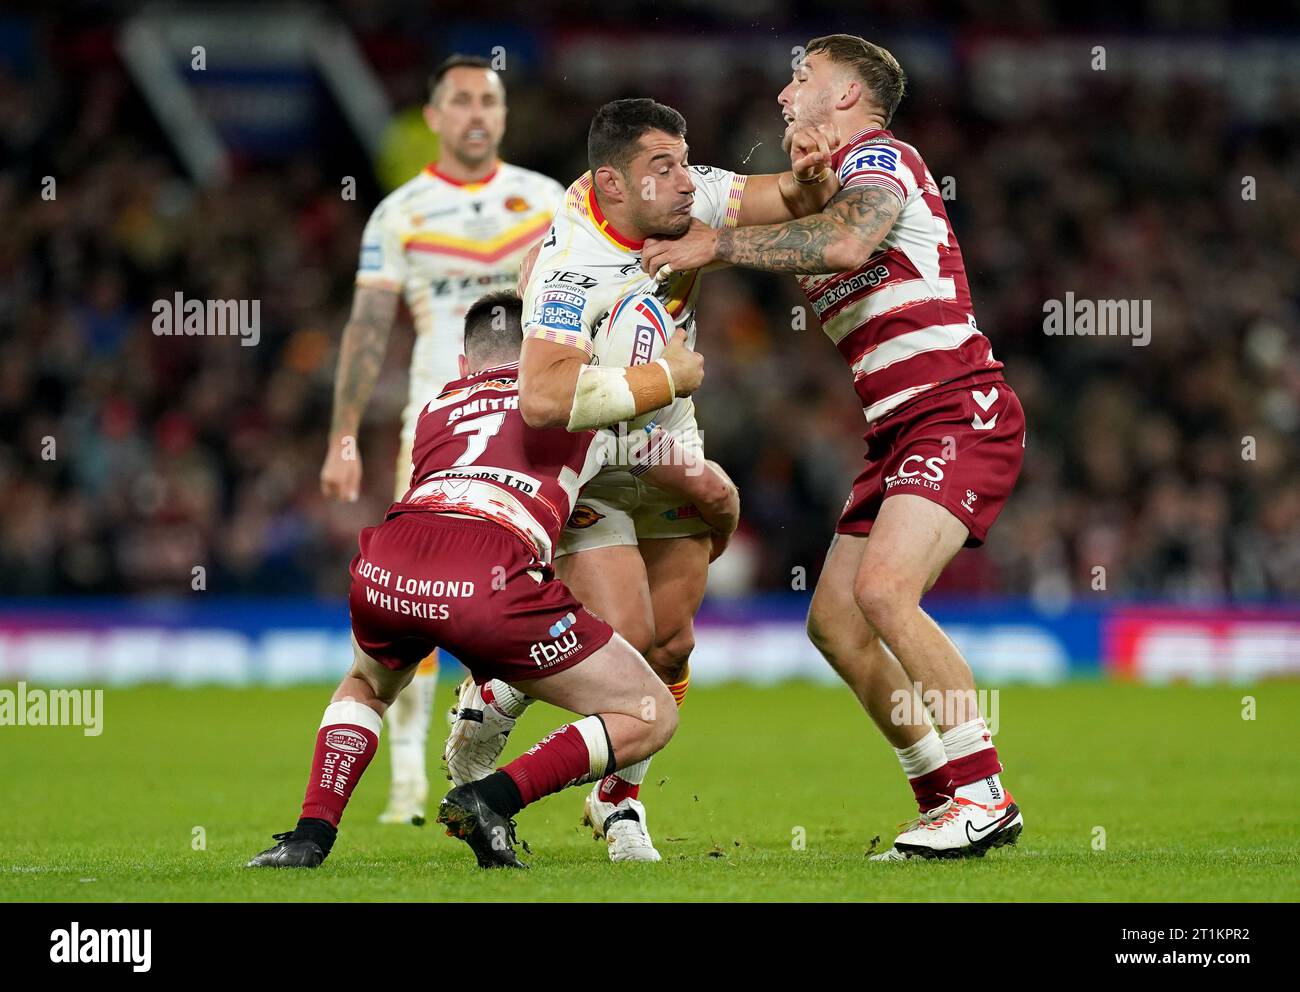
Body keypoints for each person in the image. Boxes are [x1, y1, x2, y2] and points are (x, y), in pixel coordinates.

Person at [638, 35, 1025, 859]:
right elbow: (823, 235)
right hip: (895, 430)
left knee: (886, 594)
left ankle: (984, 793)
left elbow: (848, 246)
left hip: (957, 408)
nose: (784, 95)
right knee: (838, 627)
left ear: (848, 94)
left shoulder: (887, 158)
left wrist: (717, 245)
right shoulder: (832, 189)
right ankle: (940, 796)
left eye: (801, 78)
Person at [441, 97, 840, 861]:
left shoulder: (685, 198)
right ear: (612, 185)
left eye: (685, 160)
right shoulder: (568, 266)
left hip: (664, 449)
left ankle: (618, 802)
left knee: (673, 645)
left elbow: (790, 198)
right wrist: (669, 375)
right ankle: (504, 689)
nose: (686, 181)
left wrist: (812, 169)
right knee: (622, 645)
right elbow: (545, 399)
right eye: (665, 168)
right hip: (590, 460)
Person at [249, 291, 738, 869]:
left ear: (464, 364)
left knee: (367, 685)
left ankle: (308, 836)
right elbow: (710, 490)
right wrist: (720, 520)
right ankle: (490, 798)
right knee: (650, 713)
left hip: (390, 559)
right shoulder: (580, 403)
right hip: (490, 573)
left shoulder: (440, 403)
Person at [319, 54, 565, 826]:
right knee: (414, 599)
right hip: (438, 431)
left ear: (503, 114)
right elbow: (366, 329)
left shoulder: (548, 200)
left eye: (488, 100)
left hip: (534, 421)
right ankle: (405, 780)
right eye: (459, 101)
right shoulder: (400, 212)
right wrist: (343, 437)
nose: (476, 114)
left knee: (549, 583)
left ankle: (528, 760)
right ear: (432, 116)